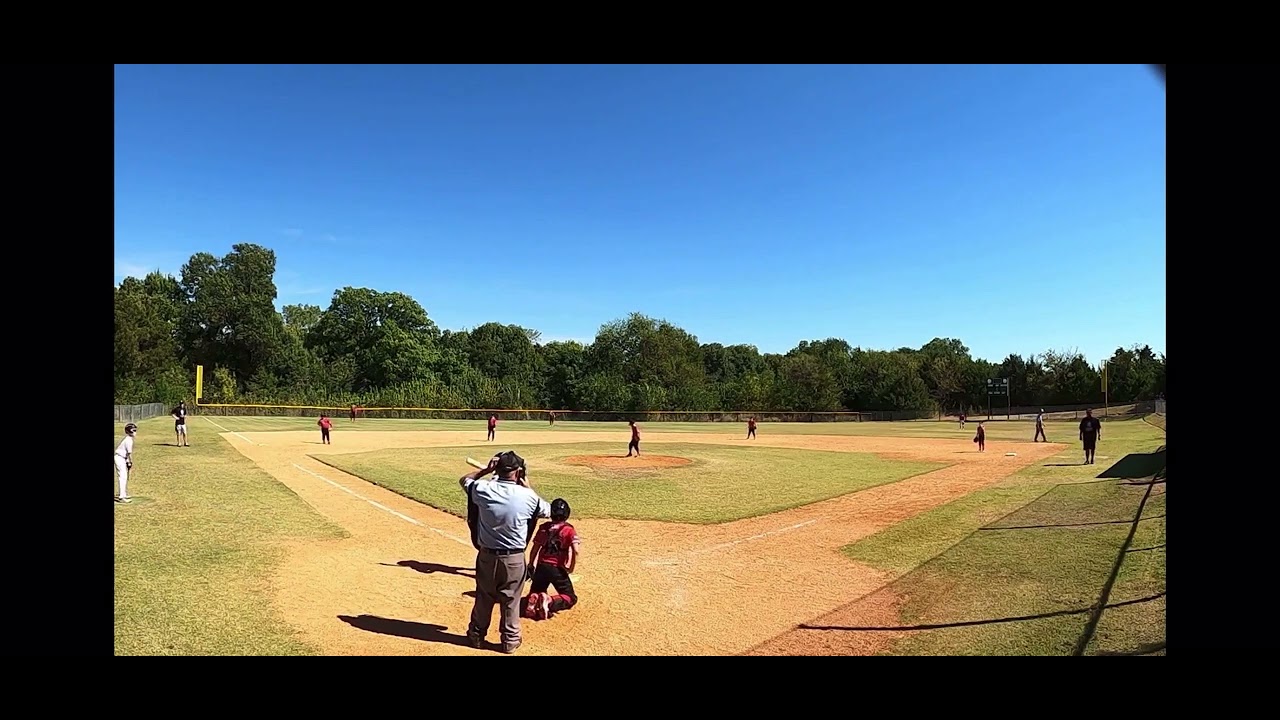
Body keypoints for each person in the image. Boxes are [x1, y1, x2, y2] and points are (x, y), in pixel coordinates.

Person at [459, 450, 551, 654]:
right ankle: (510, 641)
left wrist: (484, 470)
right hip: (514, 559)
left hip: (486, 556)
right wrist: (529, 488)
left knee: (484, 596)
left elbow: (464, 480)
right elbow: (547, 511)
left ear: (497, 469)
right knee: (511, 600)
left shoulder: (483, 489)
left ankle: (476, 635)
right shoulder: (528, 497)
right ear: (518, 472)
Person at [523, 498, 580, 620]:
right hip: (557, 569)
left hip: (541, 567)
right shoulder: (569, 529)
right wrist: (571, 567)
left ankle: (534, 598)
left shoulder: (544, 527)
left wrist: (531, 564)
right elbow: (576, 550)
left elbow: (535, 548)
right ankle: (549, 601)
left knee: (537, 590)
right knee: (570, 597)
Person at [115, 423, 137, 503]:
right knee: (122, 476)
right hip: (119, 458)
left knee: (124, 476)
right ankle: (121, 497)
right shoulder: (128, 441)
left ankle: (123, 493)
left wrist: (127, 461)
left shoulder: (129, 439)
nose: (135, 432)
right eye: (134, 431)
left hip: (122, 458)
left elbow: (127, 454)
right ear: (130, 431)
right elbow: (129, 453)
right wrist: (130, 462)